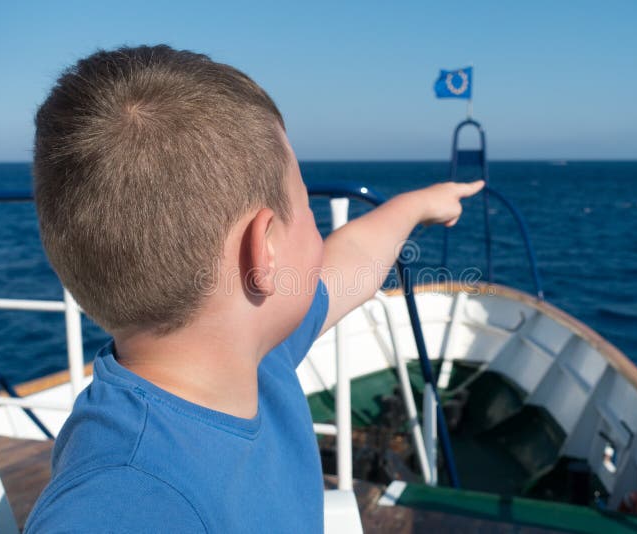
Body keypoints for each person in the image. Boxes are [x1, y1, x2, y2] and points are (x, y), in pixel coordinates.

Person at [24, 44, 483, 533]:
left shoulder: (253, 352)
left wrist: (415, 206)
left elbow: (352, 261)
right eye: (306, 209)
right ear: (262, 252)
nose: (319, 236)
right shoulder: (122, 500)